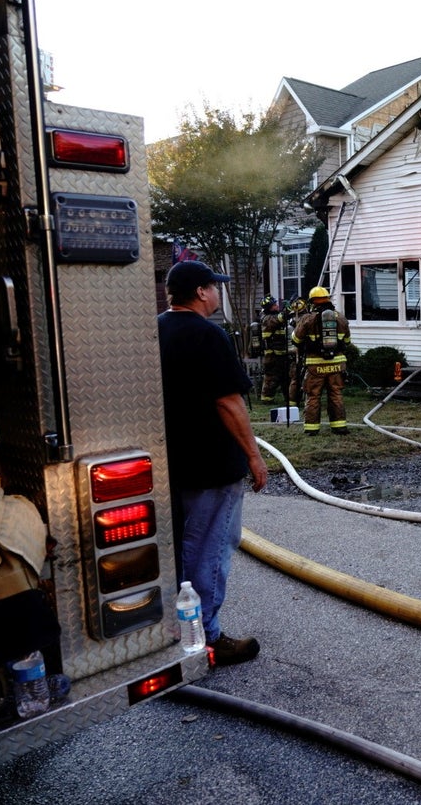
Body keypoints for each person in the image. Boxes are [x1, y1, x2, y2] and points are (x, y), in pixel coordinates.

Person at [158, 260, 267, 666]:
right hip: (211, 465)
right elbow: (228, 402)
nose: (218, 293)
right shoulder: (208, 335)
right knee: (210, 548)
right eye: (214, 287)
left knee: (179, 550)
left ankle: (175, 628)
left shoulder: (155, 329)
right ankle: (206, 637)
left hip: (171, 463)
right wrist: (254, 458)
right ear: (201, 292)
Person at [292, 286, 351, 436]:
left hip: (315, 365)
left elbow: (296, 339)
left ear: (313, 302)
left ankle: (312, 429)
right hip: (337, 364)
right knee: (336, 394)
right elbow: (347, 341)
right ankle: (340, 427)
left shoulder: (308, 318)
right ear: (328, 299)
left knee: (313, 395)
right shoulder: (341, 318)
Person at [258, 296, 290, 404]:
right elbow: (279, 319)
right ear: (270, 308)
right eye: (274, 305)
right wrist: (288, 309)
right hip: (272, 354)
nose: (277, 305)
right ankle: (267, 399)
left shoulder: (272, 316)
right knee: (271, 377)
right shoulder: (267, 318)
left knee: (285, 376)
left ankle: (289, 399)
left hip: (281, 353)